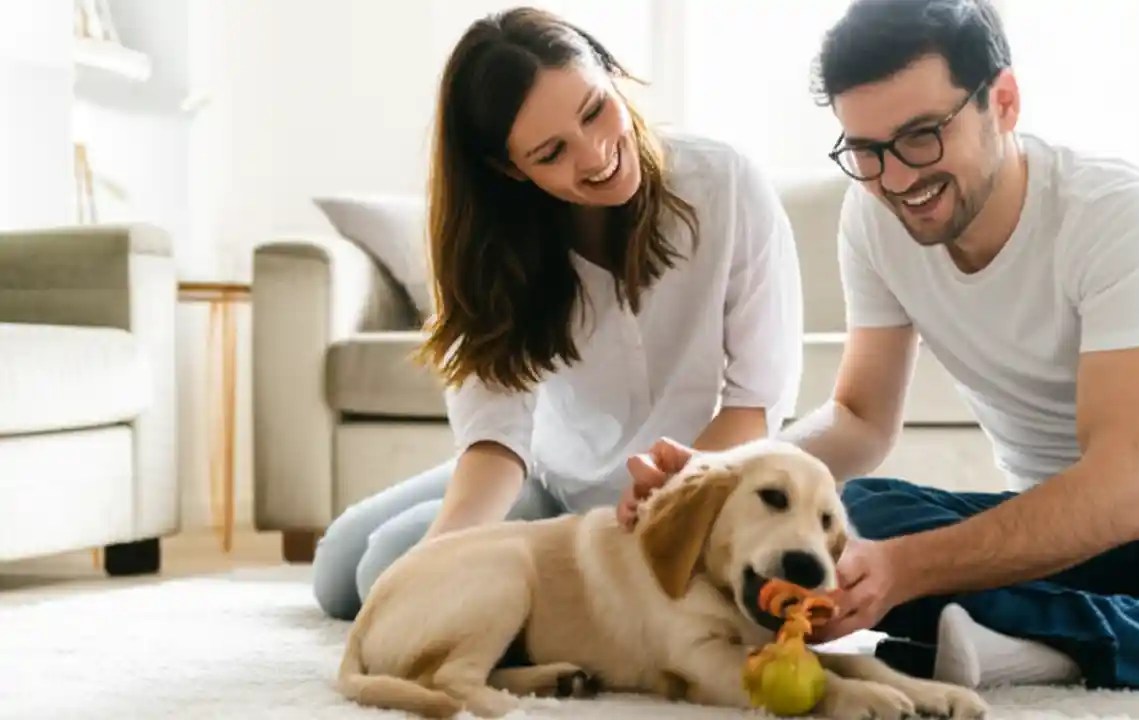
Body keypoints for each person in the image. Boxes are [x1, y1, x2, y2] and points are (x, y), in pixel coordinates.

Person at [621, 0, 1139, 693]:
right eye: (867, 152)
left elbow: (1123, 494)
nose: (898, 178)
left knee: (906, 555)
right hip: (1051, 523)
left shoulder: (1116, 212)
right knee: (866, 510)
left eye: (922, 136)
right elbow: (859, 421)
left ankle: (1076, 643)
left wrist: (911, 570)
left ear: (1004, 102)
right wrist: (720, 475)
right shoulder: (873, 221)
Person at [310, 6, 804, 621]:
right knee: (345, 573)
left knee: (384, 566)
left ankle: (546, 615)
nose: (596, 154)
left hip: (693, 485)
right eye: (552, 153)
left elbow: (754, 403)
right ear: (508, 169)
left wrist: (658, 513)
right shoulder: (493, 248)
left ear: (608, 70)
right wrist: (443, 555)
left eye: (596, 109)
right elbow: (495, 436)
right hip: (549, 477)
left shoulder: (725, 184)